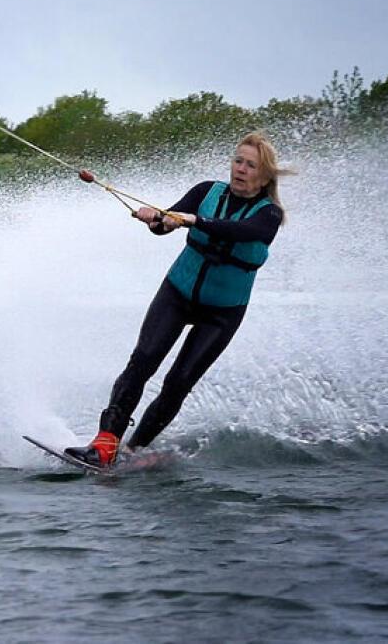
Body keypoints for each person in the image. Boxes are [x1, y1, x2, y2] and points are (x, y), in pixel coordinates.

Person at [66, 132, 290, 468]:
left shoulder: (268, 214)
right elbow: (167, 222)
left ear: (264, 175)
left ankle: (133, 450)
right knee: (142, 361)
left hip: (222, 313)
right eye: (237, 160)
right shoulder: (206, 191)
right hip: (177, 293)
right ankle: (105, 443)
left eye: (250, 165)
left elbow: (242, 232)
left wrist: (193, 220)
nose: (240, 169)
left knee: (178, 383)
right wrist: (157, 220)